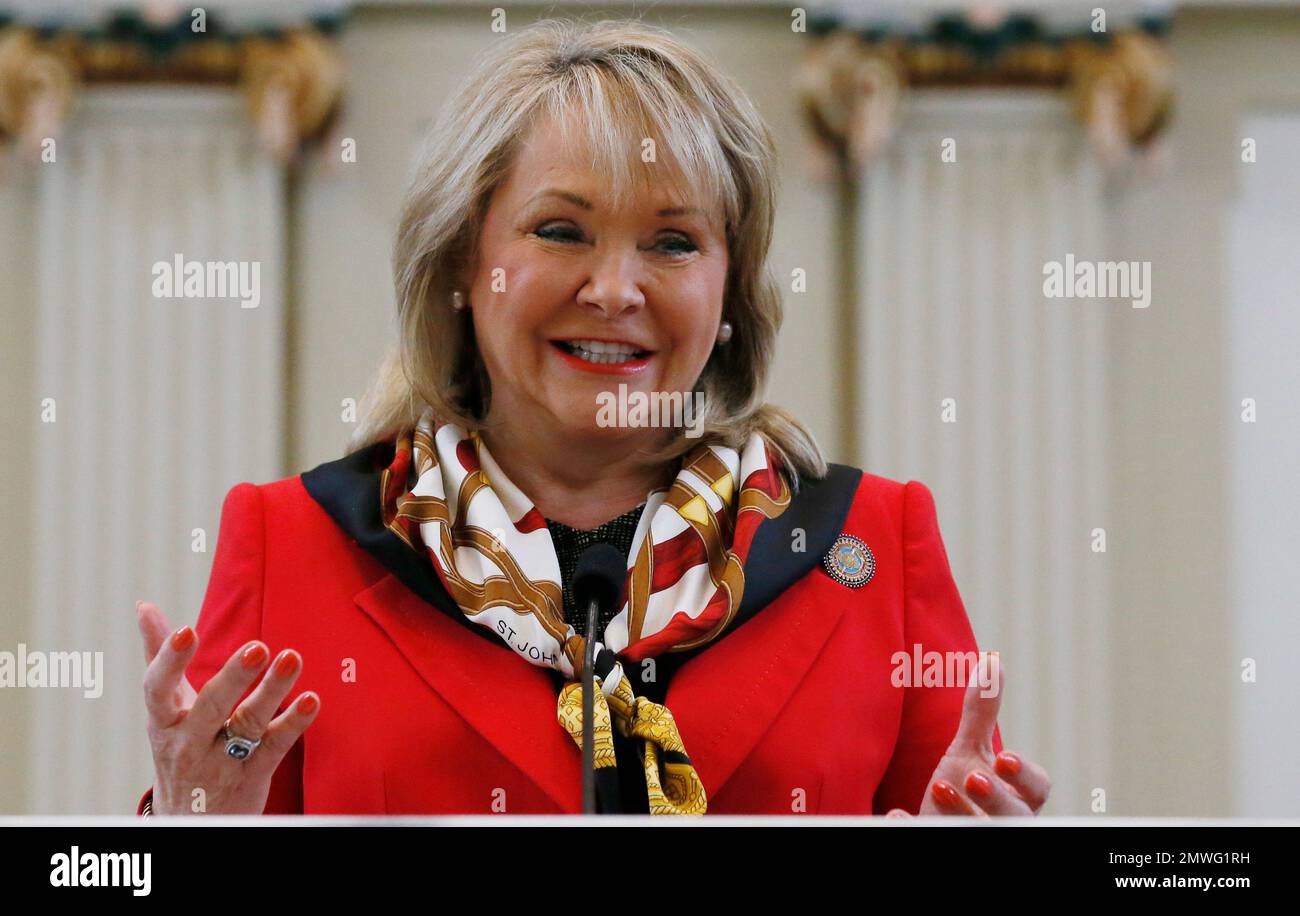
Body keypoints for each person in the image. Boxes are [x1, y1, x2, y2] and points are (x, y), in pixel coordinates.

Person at [134, 18, 1049, 817]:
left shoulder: (874, 548)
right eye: (561, 231)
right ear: (461, 261)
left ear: (730, 286)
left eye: (673, 242)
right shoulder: (294, 547)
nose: (615, 291)